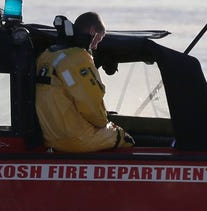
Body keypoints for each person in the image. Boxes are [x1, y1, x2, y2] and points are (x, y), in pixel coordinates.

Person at [35, 11, 134, 152]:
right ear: (93, 31)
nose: (96, 46)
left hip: (49, 138)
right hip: (77, 138)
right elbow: (92, 107)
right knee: (123, 138)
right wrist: (105, 121)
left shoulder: (46, 56)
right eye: (99, 39)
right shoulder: (79, 58)